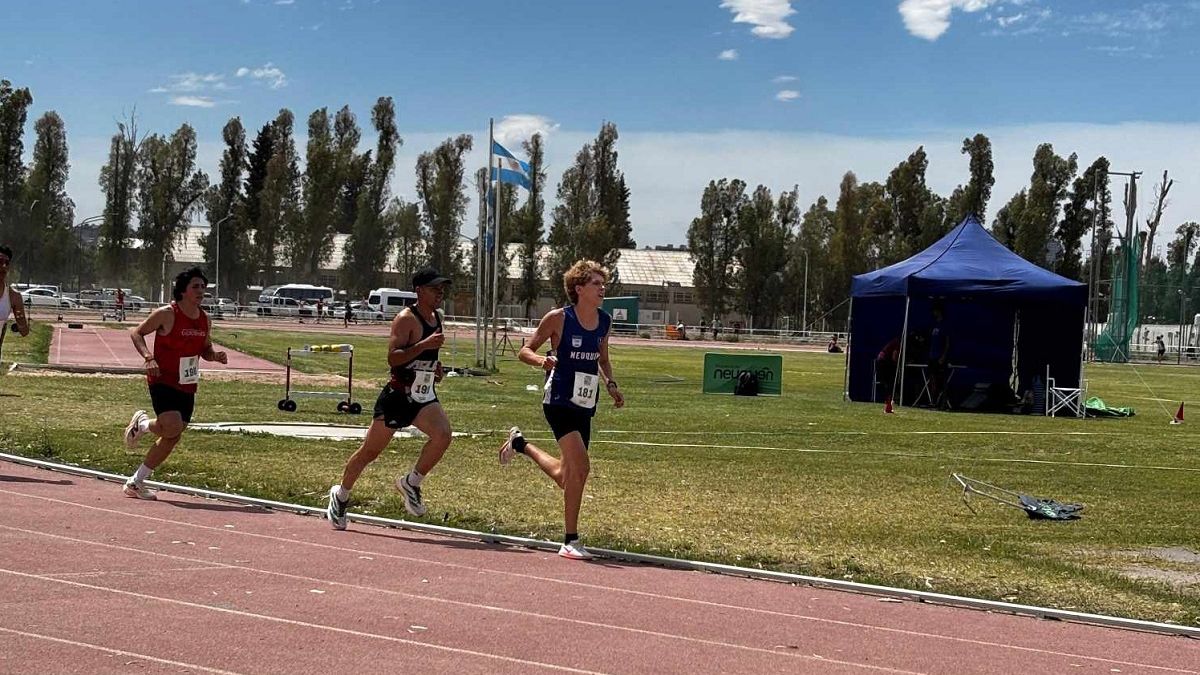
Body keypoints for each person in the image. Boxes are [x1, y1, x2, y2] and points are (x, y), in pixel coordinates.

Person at [497, 259, 625, 560]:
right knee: (582, 467)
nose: (602, 288)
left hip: (585, 402)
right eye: (596, 283)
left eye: (602, 283)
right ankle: (570, 540)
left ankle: (520, 444)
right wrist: (542, 361)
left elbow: (602, 359)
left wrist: (611, 384)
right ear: (579, 289)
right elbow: (524, 350)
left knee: (567, 476)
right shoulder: (559, 318)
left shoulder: (604, 321)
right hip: (558, 401)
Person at [326, 268, 453, 529]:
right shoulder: (406, 319)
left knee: (443, 435)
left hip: (423, 394)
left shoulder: (436, 317)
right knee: (369, 453)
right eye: (434, 288)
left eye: (442, 288)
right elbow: (394, 357)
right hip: (398, 395)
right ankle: (341, 496)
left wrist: (434, 367)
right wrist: (424, 346)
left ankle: (412, 482)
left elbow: (425, 355)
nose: (440, 292)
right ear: (419, 291)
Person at [121, 267, 227, 500]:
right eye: (196, 287)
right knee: (172, 426)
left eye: (203, 287)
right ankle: (143, 431)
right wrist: (148, 358)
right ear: (183, 290)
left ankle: (136, 480)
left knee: (173, 434)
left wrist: (214, 356)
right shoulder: (167, 313)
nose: (201, 291)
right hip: (162, 378)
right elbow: (137, 333)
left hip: (187, 382)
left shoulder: (204, 319)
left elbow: (205, 349)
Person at [0, 245, 31, 353]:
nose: (3, 266)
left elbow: (24, 332)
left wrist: (21, 321)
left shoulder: (14, 297)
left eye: (6, 263)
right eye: (0, 261)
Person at [927, 302, 950, 406]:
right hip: (932, 356)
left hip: (939, 357)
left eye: (935, 311)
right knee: (932, 379)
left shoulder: (944, 325)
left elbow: (947, 342)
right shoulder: (934, 325)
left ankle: (941, 401)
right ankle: (933, 400)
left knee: (940, 380)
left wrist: (943, 356)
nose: (934, 313)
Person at [875, 336, 901, 403]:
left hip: (881, 361)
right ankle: (890, 398)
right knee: (891, 379)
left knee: (889, 380)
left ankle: (889, 397)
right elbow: (894, 357)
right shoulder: (897, 343)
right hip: (883, 363)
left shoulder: (894, 342)